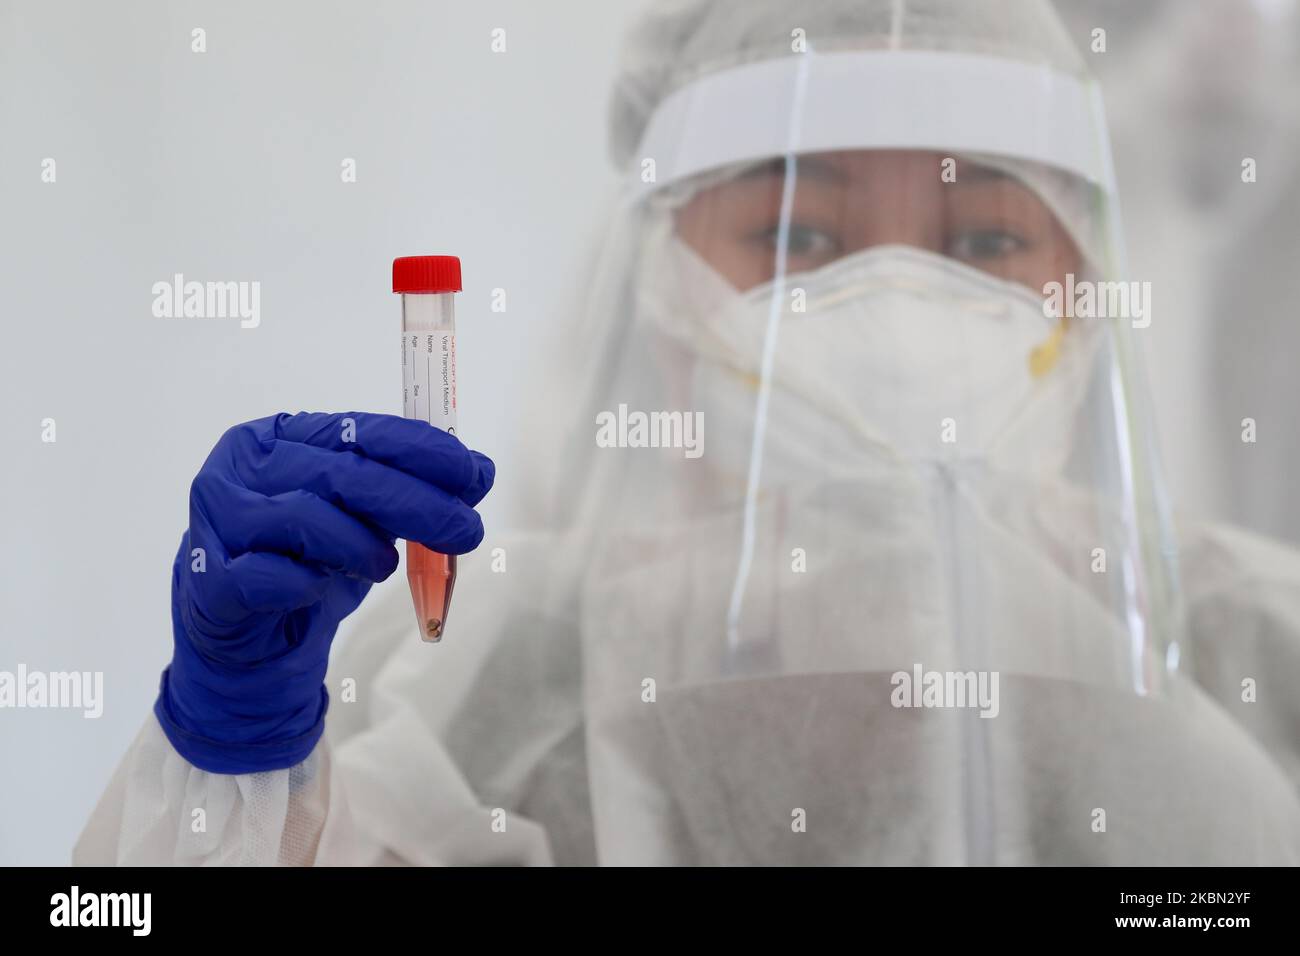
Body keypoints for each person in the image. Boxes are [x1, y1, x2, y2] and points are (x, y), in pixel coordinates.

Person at [75, 0, 1300, 866]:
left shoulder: (1263, 651)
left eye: (982, 240)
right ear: (663, 296)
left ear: (1082, 293)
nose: (892, 298)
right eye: (793, 239)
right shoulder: (479, 677)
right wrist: (232, 753)